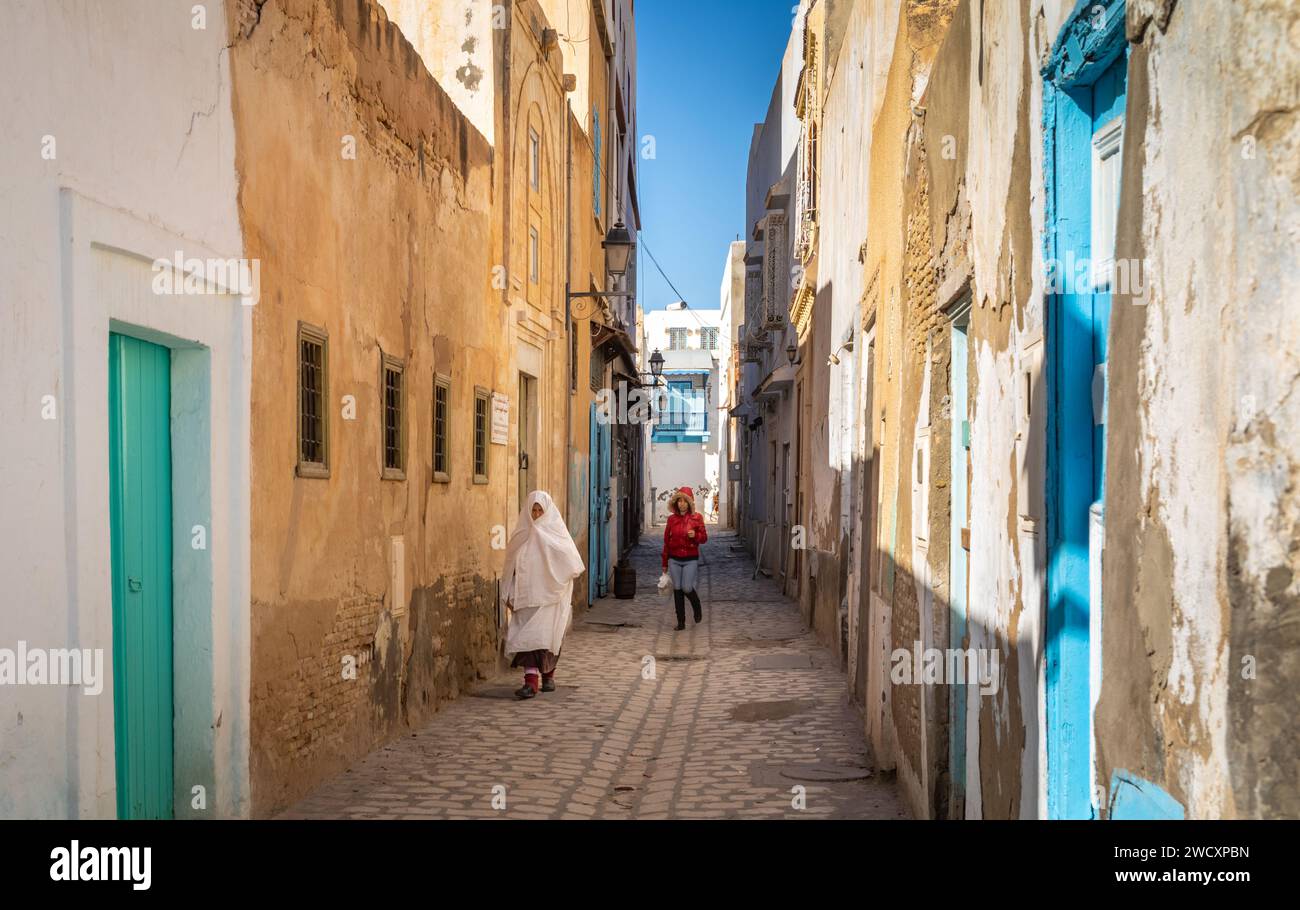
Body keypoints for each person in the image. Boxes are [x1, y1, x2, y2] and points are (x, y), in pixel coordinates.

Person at [501, 491, 585, 700]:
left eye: (540, 510)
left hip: (551, 598)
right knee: (527, 638)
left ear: (547, 512)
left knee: (547, 638)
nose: (537, 514)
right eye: (533, 510)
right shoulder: (521, 535)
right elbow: (510, 565)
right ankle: (531, 683)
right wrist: (510, 591)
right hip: (527, 596)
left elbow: (572, 564)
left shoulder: (557, 534)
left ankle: (548, 676)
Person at [662, 486, 708, 630]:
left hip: (690, 559)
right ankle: (680, 622)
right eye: (679, 501)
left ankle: (697, 607)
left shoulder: (697, 518)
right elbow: (666, 542)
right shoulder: (671, 520)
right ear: (676, 503)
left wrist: (696, 536)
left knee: (687, 587)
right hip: (674, 559)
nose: (682, 504)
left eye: (685, 501)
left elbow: (704, 538)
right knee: (677, 589)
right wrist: (665, 563)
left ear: (690, 503)